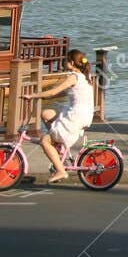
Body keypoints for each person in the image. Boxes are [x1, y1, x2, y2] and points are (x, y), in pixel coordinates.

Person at [36, 49, 96, 184]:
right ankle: (58, 145)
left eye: (65, 60)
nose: (63, 62)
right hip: (82, 114)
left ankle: (60, 171)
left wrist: (34, 95)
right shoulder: (85, 76)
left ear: (70, 62)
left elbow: (53, 92)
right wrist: (42, 95)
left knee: (44, 141)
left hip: (75, 116)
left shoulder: (73, 77)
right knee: (45, 114)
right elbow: (63, 93)